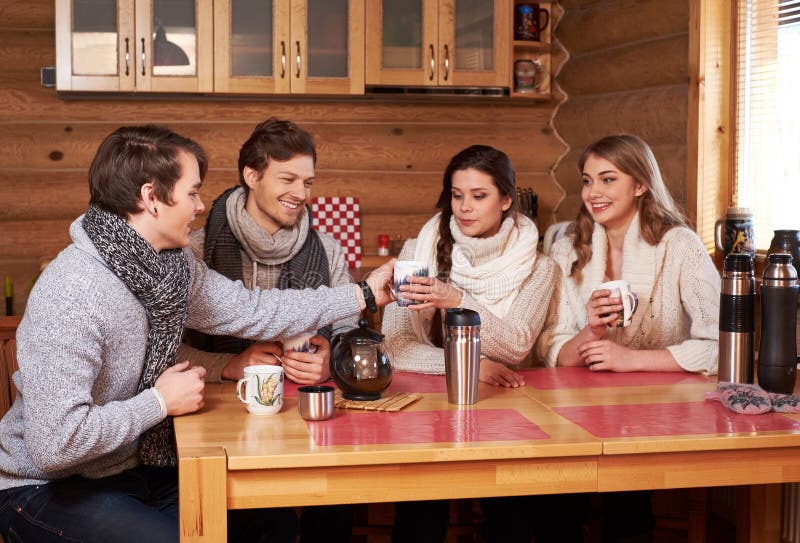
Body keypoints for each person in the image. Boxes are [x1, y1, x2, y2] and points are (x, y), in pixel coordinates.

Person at [0, 125, 393, 543]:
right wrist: (158, 403)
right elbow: (56, 444)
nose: (202, 205)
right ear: (151, 198)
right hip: (46, 486)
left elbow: (254, 309)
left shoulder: (173, 267)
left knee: (271, 525)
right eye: (192, 193)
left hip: (131, 472)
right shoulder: (74, 290)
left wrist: (363, 294)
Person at [179, 118, 357, 542]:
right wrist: (228, 364)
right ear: (251, 176)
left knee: (339, 499)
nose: (301, 193)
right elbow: (168, 348)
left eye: (309, 182)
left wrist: (332, 361)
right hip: (220, 420)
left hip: (305, 418)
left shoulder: (328, 250)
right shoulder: (198, 248)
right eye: (288, 178)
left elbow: (352, 334)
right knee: (264, 524)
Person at [542, 134, 720, 542]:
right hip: (576, 409)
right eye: (587, 181)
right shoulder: (570, 249)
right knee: (554, 507)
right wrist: (593, 330)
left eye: (608, 180)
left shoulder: (681, 246)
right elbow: (552, 350)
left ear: (640, 185)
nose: (593, 193)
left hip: (654, 410)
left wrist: (631, 359)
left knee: (628, 511)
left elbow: (718, 345)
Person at [381, 144, 556, 543]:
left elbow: (515, 346)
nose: (465, 207)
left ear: (506, 200)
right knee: (420, 514)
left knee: (511, 515)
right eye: (457, 196)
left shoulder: (539, 267)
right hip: (428, 404)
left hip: (505, 407)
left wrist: (455, 299)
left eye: (479, 196)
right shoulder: (418, 252)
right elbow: (395, 345)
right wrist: (468, 366)